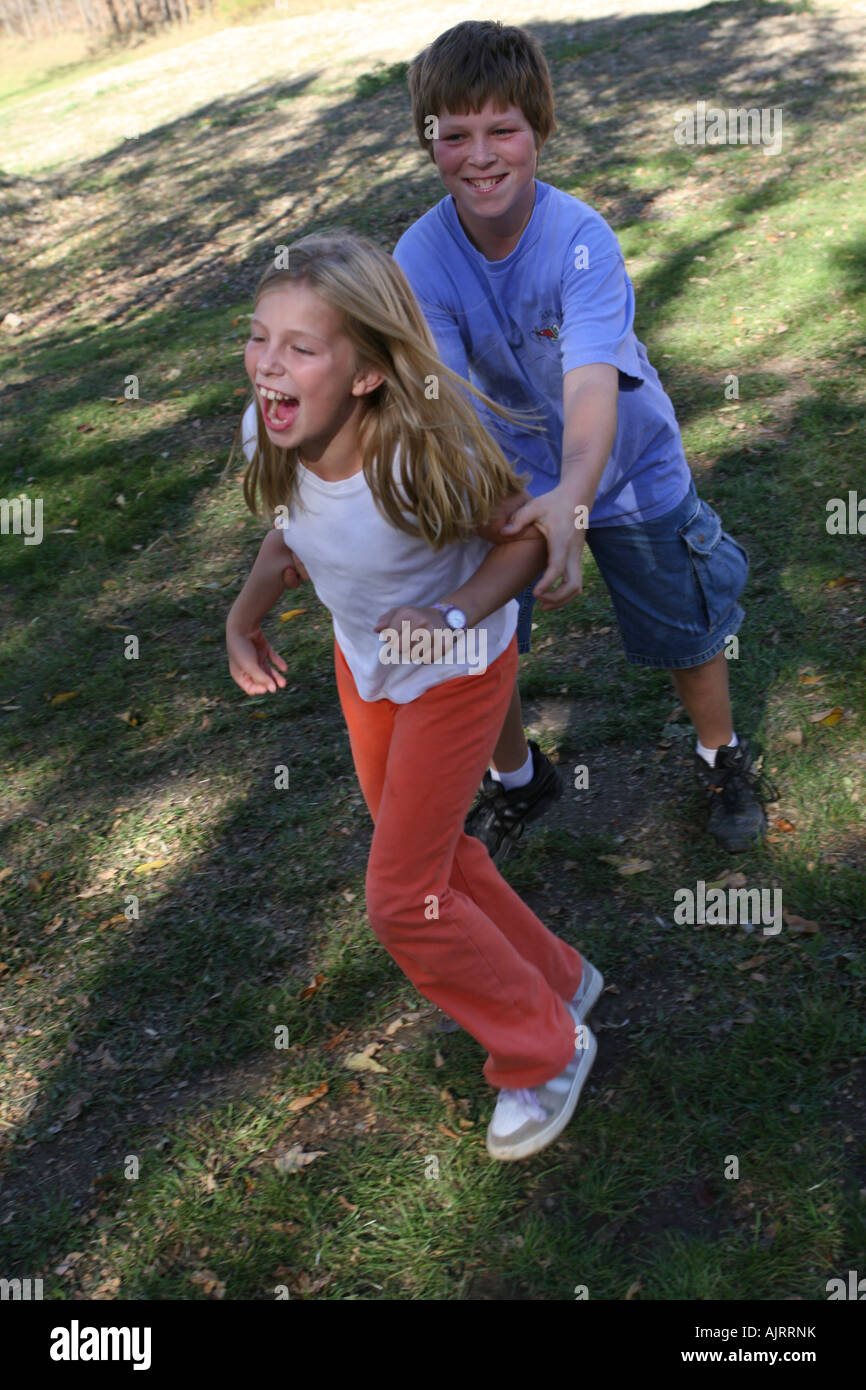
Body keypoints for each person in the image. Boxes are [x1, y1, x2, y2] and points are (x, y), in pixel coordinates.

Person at [225, 231, 604, 1161]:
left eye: (300, 348)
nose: (269, 365)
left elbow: (519, 536)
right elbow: (285, 538)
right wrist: (244, 619)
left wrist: (453, 610)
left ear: (363, 374)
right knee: (434, 860)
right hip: (369, 672)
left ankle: (546, 1050)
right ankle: (561, 978)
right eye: (258, 337)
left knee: (399, 900)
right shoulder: (266, 431)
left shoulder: (409, 457)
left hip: (458, 674)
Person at [392, 19, 774, 861]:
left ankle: (721, 754)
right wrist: (509, 505)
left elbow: (590, 382)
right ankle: (519, 777)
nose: (481, 155)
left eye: (503, 130)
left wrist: (573, 498)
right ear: (430, 145)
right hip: (503, 479)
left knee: (688, 622)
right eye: (455, 135)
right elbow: (445, 400)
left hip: (629, 465)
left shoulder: (581, 240)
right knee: (483, 636)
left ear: (540, 132)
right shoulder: (418, 257)